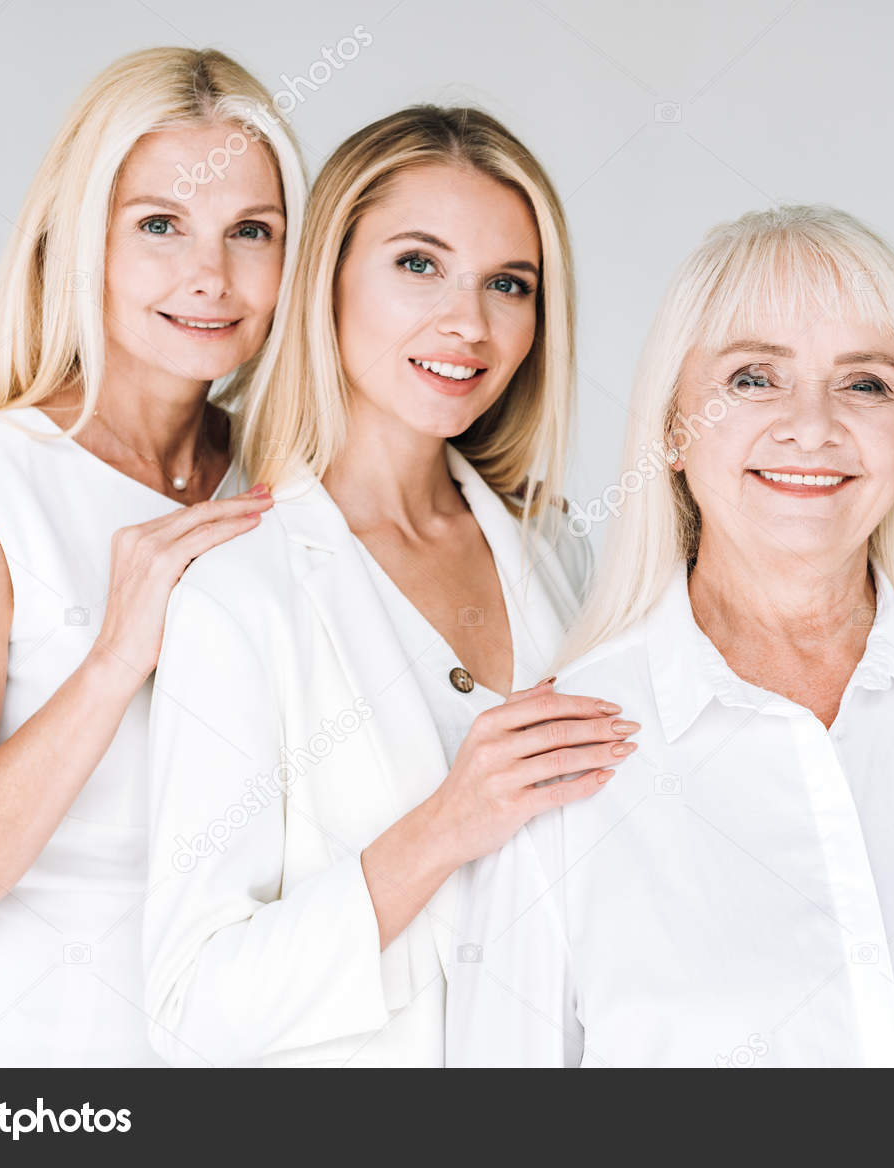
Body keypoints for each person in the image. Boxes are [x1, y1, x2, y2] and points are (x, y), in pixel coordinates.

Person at [446, 204, 894, 1068]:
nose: (813, 424)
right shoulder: (566, 750)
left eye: (866, 383)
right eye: (754, 378)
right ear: (672, 432)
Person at [142, 106, 635, 1067]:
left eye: (508, 284)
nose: (469, 321)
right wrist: (445, 828)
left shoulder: (562, 559)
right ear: (327, 278)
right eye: (419, 264)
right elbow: (191, 1008)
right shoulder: (241, 593)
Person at [0, 47, 304, 1067]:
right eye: (158, 226)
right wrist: (111, 661)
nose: (211, 276)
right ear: (77, 240)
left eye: (251, 232)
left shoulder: (285, 488)